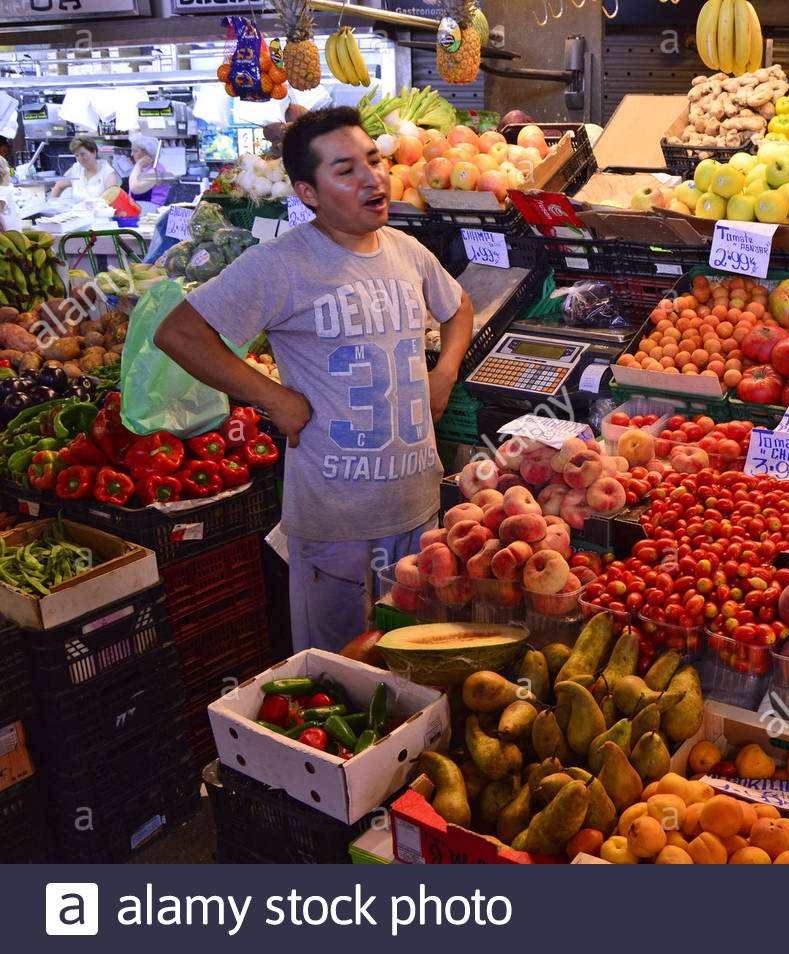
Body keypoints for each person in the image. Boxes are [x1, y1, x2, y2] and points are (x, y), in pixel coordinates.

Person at [154, 106, 475, 652]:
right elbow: (179, 334)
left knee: (419, 663)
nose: (371, 177)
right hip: (335, 521)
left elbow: (459, 307)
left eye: (373, 160)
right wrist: (272, 398)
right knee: (339, 677)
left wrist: (443, 374)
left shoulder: (406, 250)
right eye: (345, 169)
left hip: (417, 510)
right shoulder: (280, 264)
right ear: (308, 193)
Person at [49, 135, 120, 201]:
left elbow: (113, 199)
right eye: (77, 155)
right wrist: (50, 205)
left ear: (94, 152)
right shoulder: (76, 169)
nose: (80, 158)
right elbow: (58, 186)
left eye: (83, 154)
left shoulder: (107, 172)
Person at [127, 132, 166, 202]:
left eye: (135, 151)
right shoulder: (143, 169)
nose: (132, 154)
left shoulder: (156, 171)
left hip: (152, 210)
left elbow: (135, 188)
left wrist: (138, 165)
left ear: (147, 152)